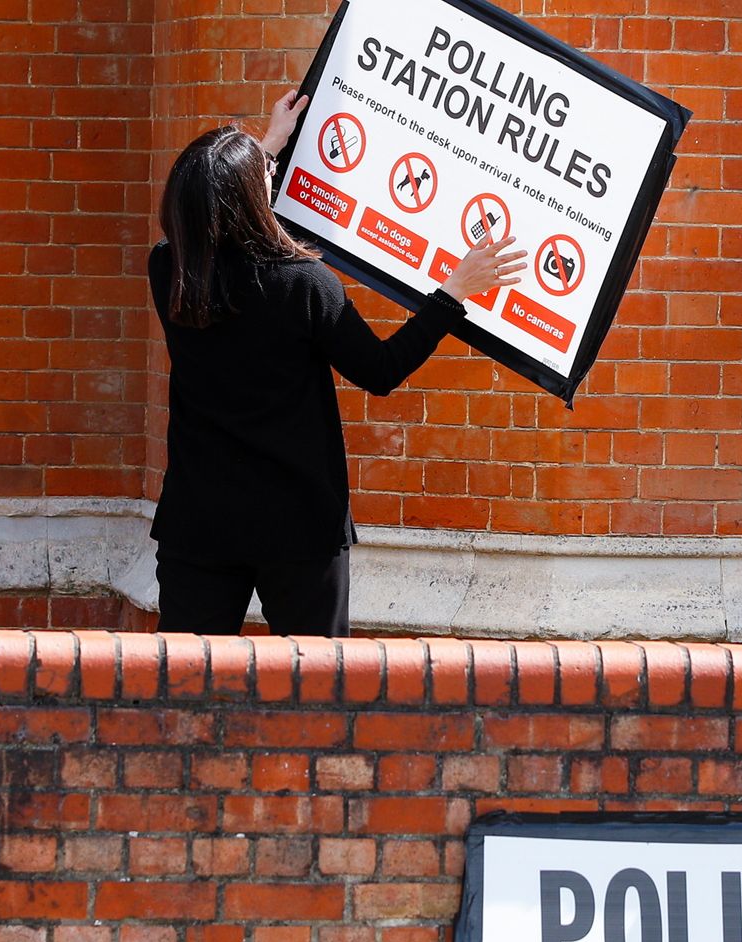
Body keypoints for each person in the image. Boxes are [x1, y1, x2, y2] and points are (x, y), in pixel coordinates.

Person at [147, 90, 524, 637]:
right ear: (252, 196)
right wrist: (453, 292)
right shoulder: (304, 285)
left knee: (184, 675)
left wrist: (266, 148)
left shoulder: (170, 273)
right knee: (316, 680)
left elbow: (218, 208)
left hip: (199, 519)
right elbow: (381, 370)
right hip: (298, 523)